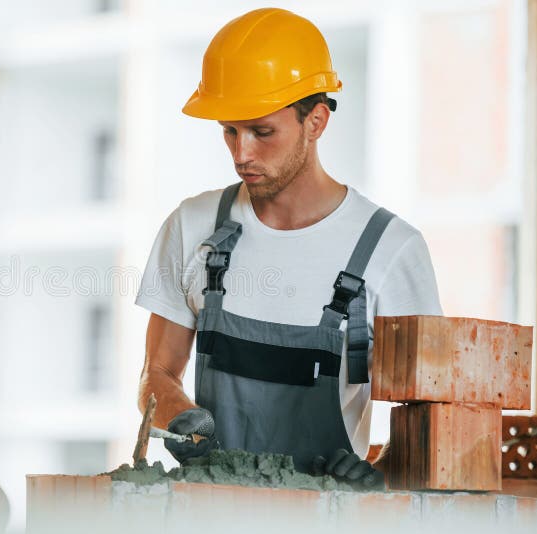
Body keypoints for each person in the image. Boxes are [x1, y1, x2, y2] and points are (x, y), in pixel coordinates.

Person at [135, 8, 442, 487]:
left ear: (316, 121)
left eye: (262, 131)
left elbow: (431, 410)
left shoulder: (391, 248)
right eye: (229, 131)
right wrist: (179, 419)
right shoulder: (192, 226)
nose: (242, 153)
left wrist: (381, 475)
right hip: (209, 514)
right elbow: (156, 372)